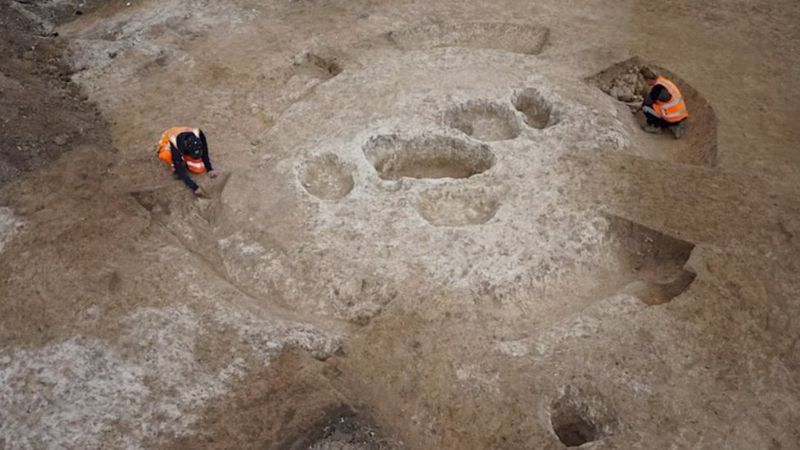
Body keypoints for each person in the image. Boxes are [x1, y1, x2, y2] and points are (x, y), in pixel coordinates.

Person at [155, 126, 217, 196]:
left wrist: (209, 168)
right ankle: (173, 165)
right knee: (165, 155)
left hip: (183, 138)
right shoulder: (174, 142)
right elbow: (180, 169)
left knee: (199, 168)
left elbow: (205, 152)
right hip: (167, 139)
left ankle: (184, 159)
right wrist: (194, 187)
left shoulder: (199, 134)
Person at [639, 67, 689, 139]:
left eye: (645, 80)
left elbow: (647, 101)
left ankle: (657, 127)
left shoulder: (657, 89)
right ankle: (677, 124)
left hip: (671, 118)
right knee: (653, 104)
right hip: (681, 115)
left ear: (648, 79)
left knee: (645, 107)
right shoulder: (664, 82)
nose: (645, 83)